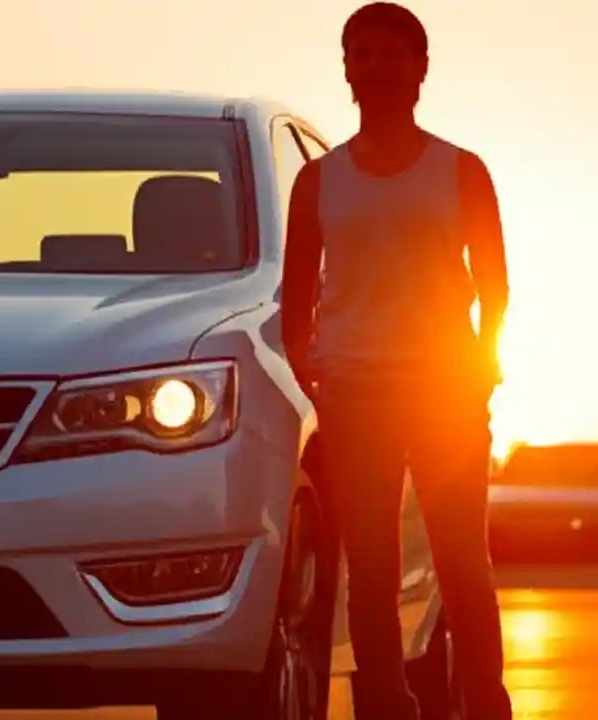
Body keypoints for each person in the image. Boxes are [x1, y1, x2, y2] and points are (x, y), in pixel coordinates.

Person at [280, 3, 513, 720]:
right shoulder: (319, 183)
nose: (372, 67)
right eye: (358, 54)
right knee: (372, 573)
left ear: (420, 69)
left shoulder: (463, 171)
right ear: (346, 70)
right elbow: (295, 302)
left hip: (445, 392)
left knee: (462, 567)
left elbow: (496, 286)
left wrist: (480, 364)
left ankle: (485, 703)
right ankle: (388, 704)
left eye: (388, 54)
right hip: (355, 395)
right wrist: (311, 374)